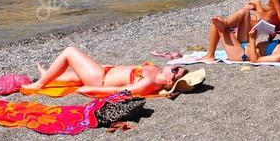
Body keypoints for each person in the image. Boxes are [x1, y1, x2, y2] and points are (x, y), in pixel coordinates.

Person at [23, 46, 189, 96]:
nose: (175, 67)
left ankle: (40, 84)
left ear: (169, 82)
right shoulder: (157, 71)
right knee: (76, 75)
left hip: (99, 80)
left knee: (69, 52)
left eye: (176, 72)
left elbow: (120, 90)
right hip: (106, 71)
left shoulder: (150, 82)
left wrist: (92, 89)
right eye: (178, 67)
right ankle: (48, 75)